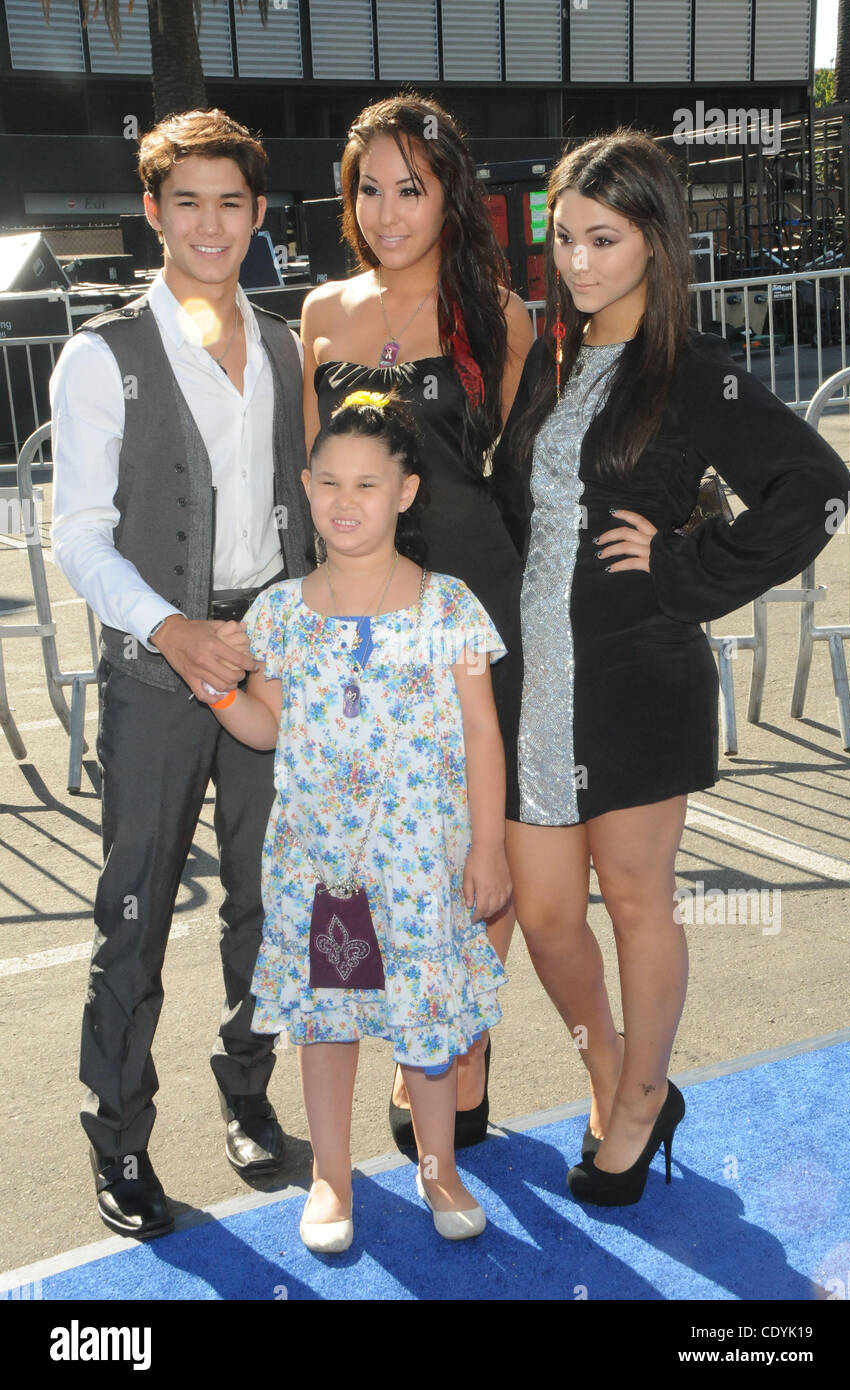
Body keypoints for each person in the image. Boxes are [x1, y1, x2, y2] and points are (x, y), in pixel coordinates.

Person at [491, 129, 850, 1207]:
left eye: (603, 238)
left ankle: (637, 1103)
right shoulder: (553, 357)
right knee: (547, 917)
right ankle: (610, 1071)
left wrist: (685, 562)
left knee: (636, 904)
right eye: (563, 239)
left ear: (655, 242)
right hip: (536, 692)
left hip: (635, 684)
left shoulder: (692, 374)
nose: (578, 261)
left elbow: (815, 488)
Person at [50, 109, 311, 1239]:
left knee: (268, 905)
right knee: (136, 911)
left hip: (271, 660)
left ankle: (247, 1091)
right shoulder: (100, 353)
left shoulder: (290, 342)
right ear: (154, 213)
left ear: (258, 217)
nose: (212, 225)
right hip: (161, 669)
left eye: (232, 203)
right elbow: (78, 533)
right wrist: (168, 629)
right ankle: (119, 1136)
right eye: (188, 202)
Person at [205, 391, 510, 1251]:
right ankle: (332, 1182)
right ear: (305, 487)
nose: (346, 500)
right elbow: (266, 726)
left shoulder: (447, 606)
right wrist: (219, 689)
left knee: (426, 1021)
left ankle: (438, 1169)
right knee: (329, 1020)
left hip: (421, 867)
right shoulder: (279, 613)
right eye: (330, 482)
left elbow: (484, 733)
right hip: (323, 868)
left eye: (368, 484)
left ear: (405, 492)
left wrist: (488, 844)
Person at [301, 92, 534, 1151]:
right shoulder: (322, 314)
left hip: (474, 606)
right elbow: (322, 491)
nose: (389, 211)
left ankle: (464, 1044)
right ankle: (416, 1038)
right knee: (383, 849)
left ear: (449, 193)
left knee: (483, 848)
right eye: (369, 188)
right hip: (366, 624)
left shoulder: (494, 310)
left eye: (412, 187)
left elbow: (527, 484)